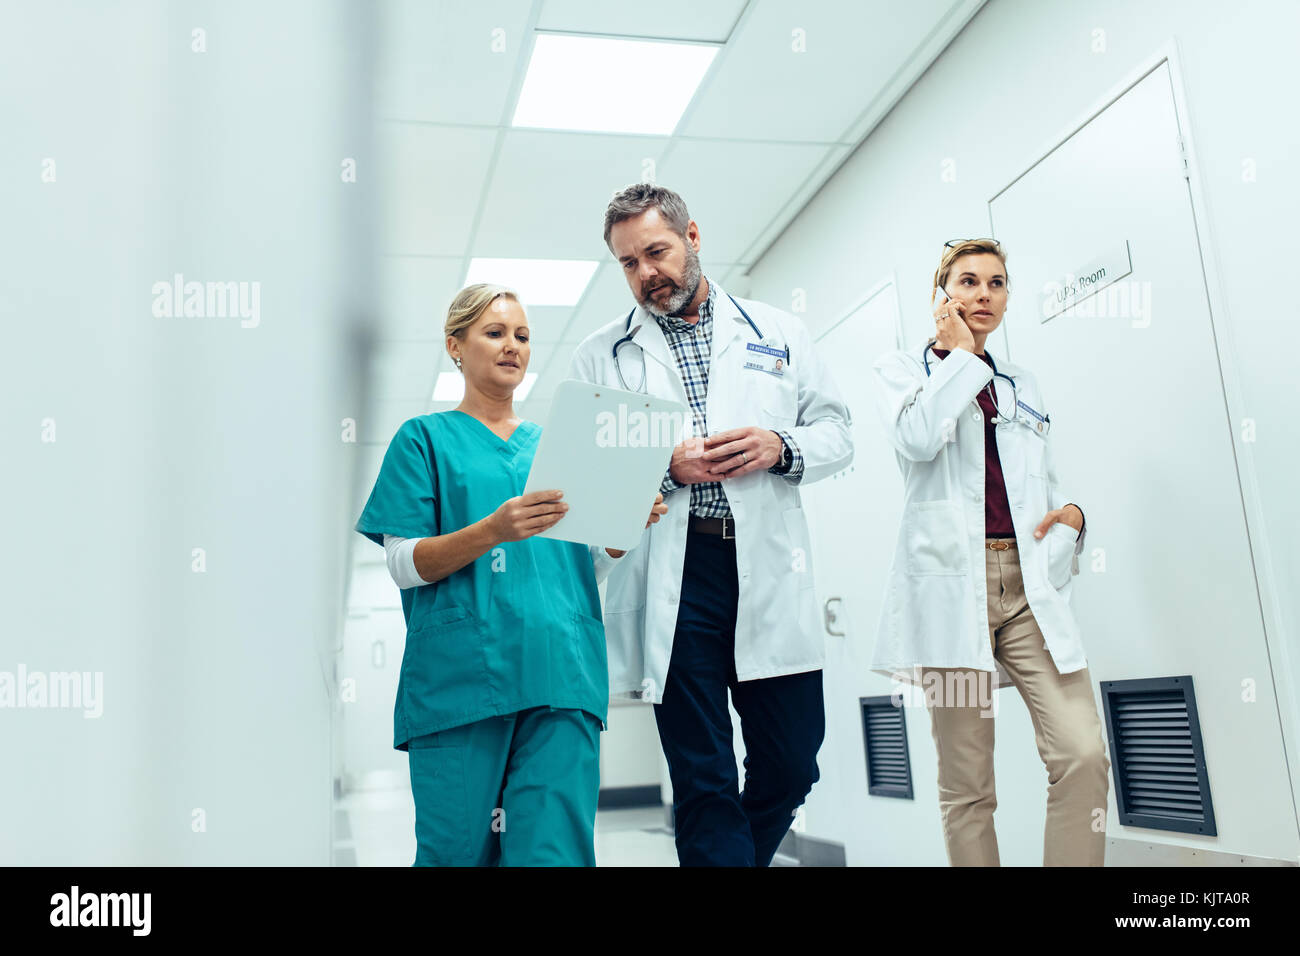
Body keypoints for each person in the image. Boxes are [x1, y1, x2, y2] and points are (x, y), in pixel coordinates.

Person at [567, 184, 853, 866]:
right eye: (629, 263)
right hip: (677, 574)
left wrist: (780, 447)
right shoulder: (600, 356)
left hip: (766, 568)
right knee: (704, 778)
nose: (646, 274)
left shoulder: (780, 332)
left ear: (693, 238)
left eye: (657, 252)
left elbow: (839, 433)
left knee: (791, 765)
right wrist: (663, 467)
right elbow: (586, 497)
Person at [355, 283, 666, 867]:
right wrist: (491, 530)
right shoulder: (423, 439)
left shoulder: (560, 447)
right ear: (455, 346)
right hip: (462, 683)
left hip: (561, 677)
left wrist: (621, 536)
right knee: (456, 854)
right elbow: (403, 563)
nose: (512, 346)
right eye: (494, 333)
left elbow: (575, 568)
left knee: (554, 855)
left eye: (522, 336)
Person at [870, 239, 1110, 866]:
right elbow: (920, 440)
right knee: (967, 784)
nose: (983, 294)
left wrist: (1073, 520)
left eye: (996, 283)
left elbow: (1041, 483)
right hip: (952, 590)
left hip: (1027, 586)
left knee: (1082, 754)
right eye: (968, 282)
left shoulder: (1020, 384)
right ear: (940, 296)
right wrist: (962, 358)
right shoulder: (903, 372)